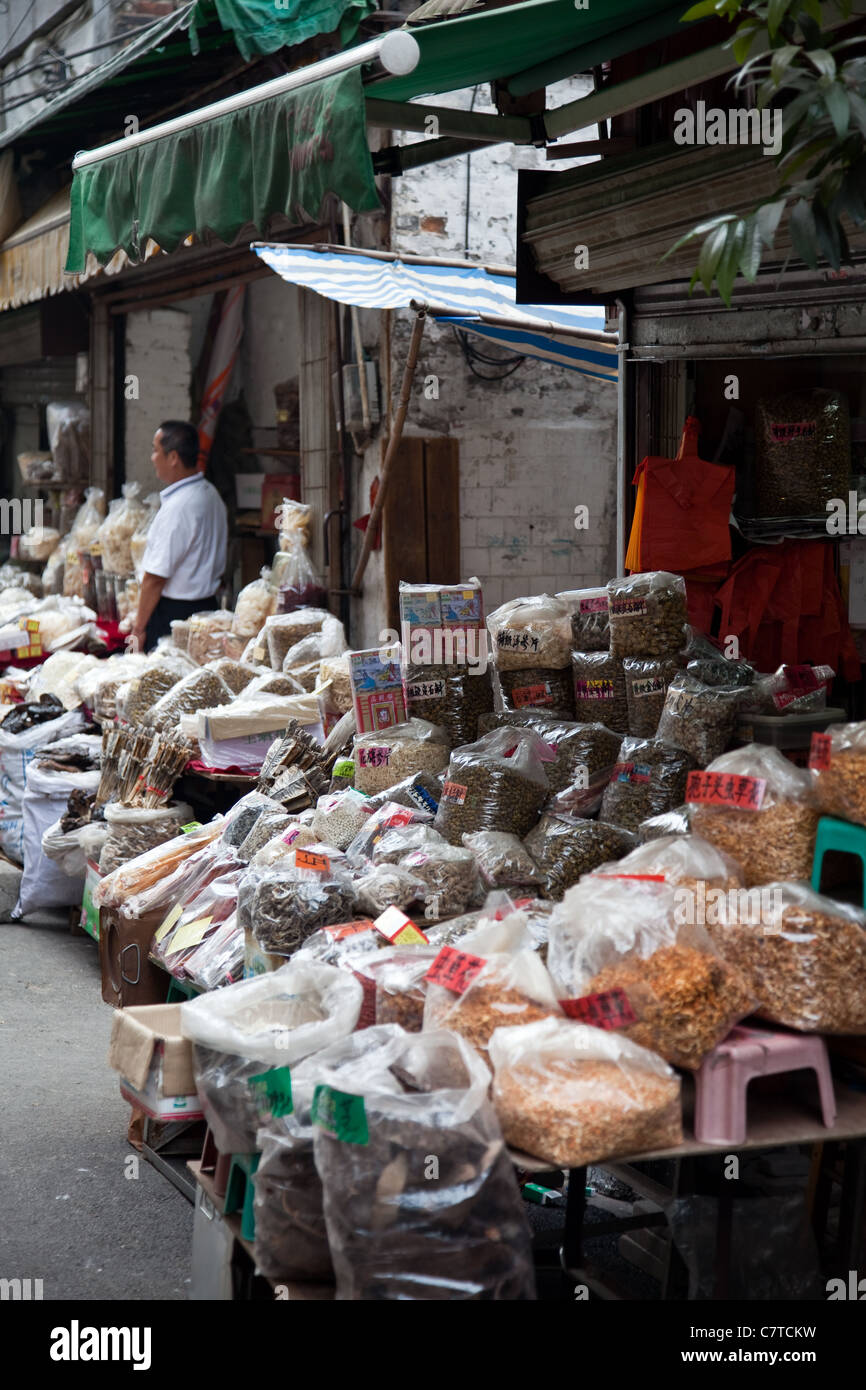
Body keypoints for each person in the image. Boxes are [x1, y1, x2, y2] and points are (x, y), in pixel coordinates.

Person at [132, 420, 228, 652]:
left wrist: (138, 628)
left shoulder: (179, 507)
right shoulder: (210, 494)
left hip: (175, 617)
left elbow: (155, 578)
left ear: (173, 457)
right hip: (207, 608)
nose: (153, 457)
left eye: (155, 450)